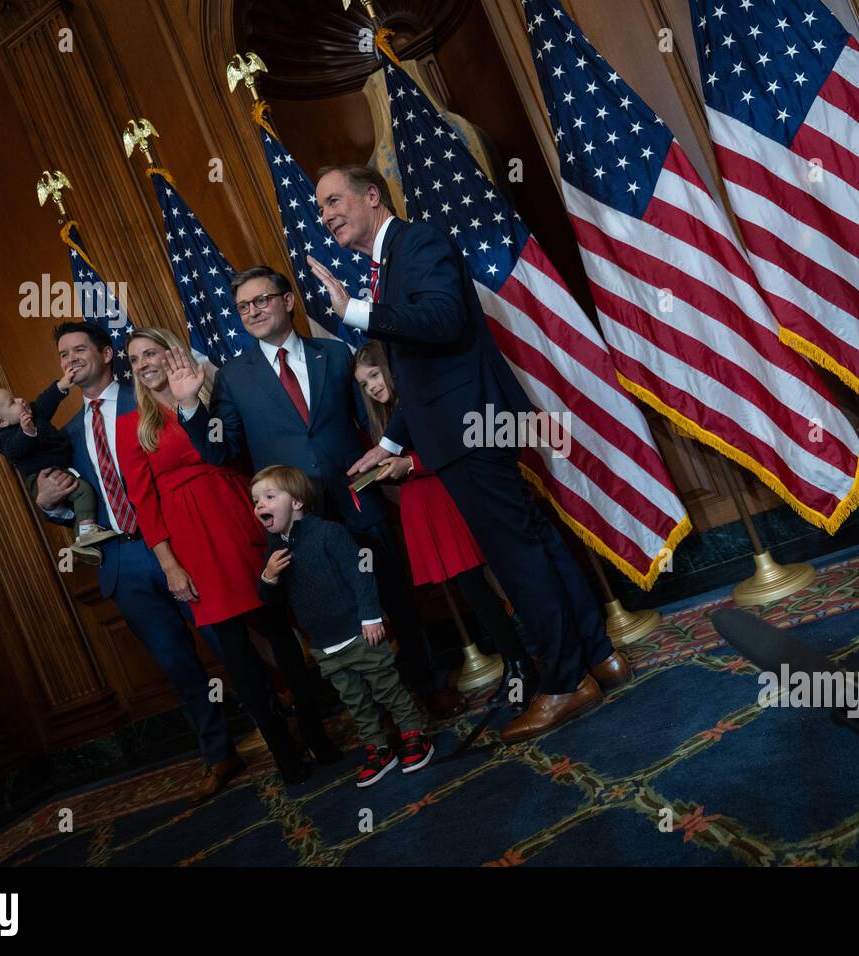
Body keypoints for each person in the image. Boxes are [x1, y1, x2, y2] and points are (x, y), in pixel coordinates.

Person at [305, 164, 632, 743]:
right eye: (320, 206)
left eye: (334, 200)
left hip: (473, 426)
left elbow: (441, 321)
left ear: (372, 195)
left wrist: (353, 311)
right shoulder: (389, 262)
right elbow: (420, 367)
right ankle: (599, 655)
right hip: (466, 422)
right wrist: (388, 440)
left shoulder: (419, 241)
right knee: (533, 540)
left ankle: (564, 682)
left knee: (516, 557)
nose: (325, 214)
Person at [164, 267, 465, 720]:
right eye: (243, 306)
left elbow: (373, 426)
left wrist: (406, 462)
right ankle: (374, 714)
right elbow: (219, 450)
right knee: (328, 614)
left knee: (392, 596)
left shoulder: (333, 354)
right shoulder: (233, 377)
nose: (252, 311)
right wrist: (190, 404)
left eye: (261, 300)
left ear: (287, 301)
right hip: (297, 523)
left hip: (357, 501)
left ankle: (429, 684)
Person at [115, 327, 342, 783]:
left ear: (171, 352)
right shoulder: (130, 426)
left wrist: (190, 402)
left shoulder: (211, 398)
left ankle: (319, 737)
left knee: (281, 632)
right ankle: (286, 757)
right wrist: (169, 565)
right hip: (192, 542)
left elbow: (233, 454)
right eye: (134, 359)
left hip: (240, 520)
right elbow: (143, 502)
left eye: (150, 353)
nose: (142, 363)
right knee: (237, 653)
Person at [34, 321, 238, 803]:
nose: (70, 360)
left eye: (79, 349)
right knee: (177, 665)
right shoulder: (64, 434)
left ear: (108, 353)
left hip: (179, 543)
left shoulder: (148, 398)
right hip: (122, 560)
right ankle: (220, 753)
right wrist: (47, 503)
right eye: (63, 355)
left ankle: (280, 724)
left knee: (229, 640)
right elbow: (76, 500)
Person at [352, 341, 535, 713]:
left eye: (374, 375)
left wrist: (411, 465)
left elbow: (454, 443)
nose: (371, 386)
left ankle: (525, 663)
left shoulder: (417, 402)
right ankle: (514, 664)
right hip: (424, 508)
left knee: (493, 584)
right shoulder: (386, 418)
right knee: (473, 594)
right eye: (363, 383)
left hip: (450, 497)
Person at [252, 465, 434, 787]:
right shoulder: (275, 551)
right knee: (356, 701)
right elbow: (272, 602)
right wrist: (268, 577)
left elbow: (360, 572)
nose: (261, 506)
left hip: (360, 632)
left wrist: (371, 615)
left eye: (269, 497)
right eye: (256, 502)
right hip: (325, 645)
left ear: (296, 502)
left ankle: (413, 734)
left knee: (387, 688)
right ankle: (378, 748)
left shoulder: (328, 533)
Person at [0, 376, 117, 564]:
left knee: (81, 493)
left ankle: (84, 542)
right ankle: (86, 534)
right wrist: (27, 432)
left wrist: (62, 385)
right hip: (42, 477)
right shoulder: (4, 438)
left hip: (61, 468)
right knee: (83, 491)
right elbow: (15, 449)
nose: (20, 400)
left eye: (15, 396)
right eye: (12, 402)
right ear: (1, 422)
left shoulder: (34, 415)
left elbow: (45, 402)